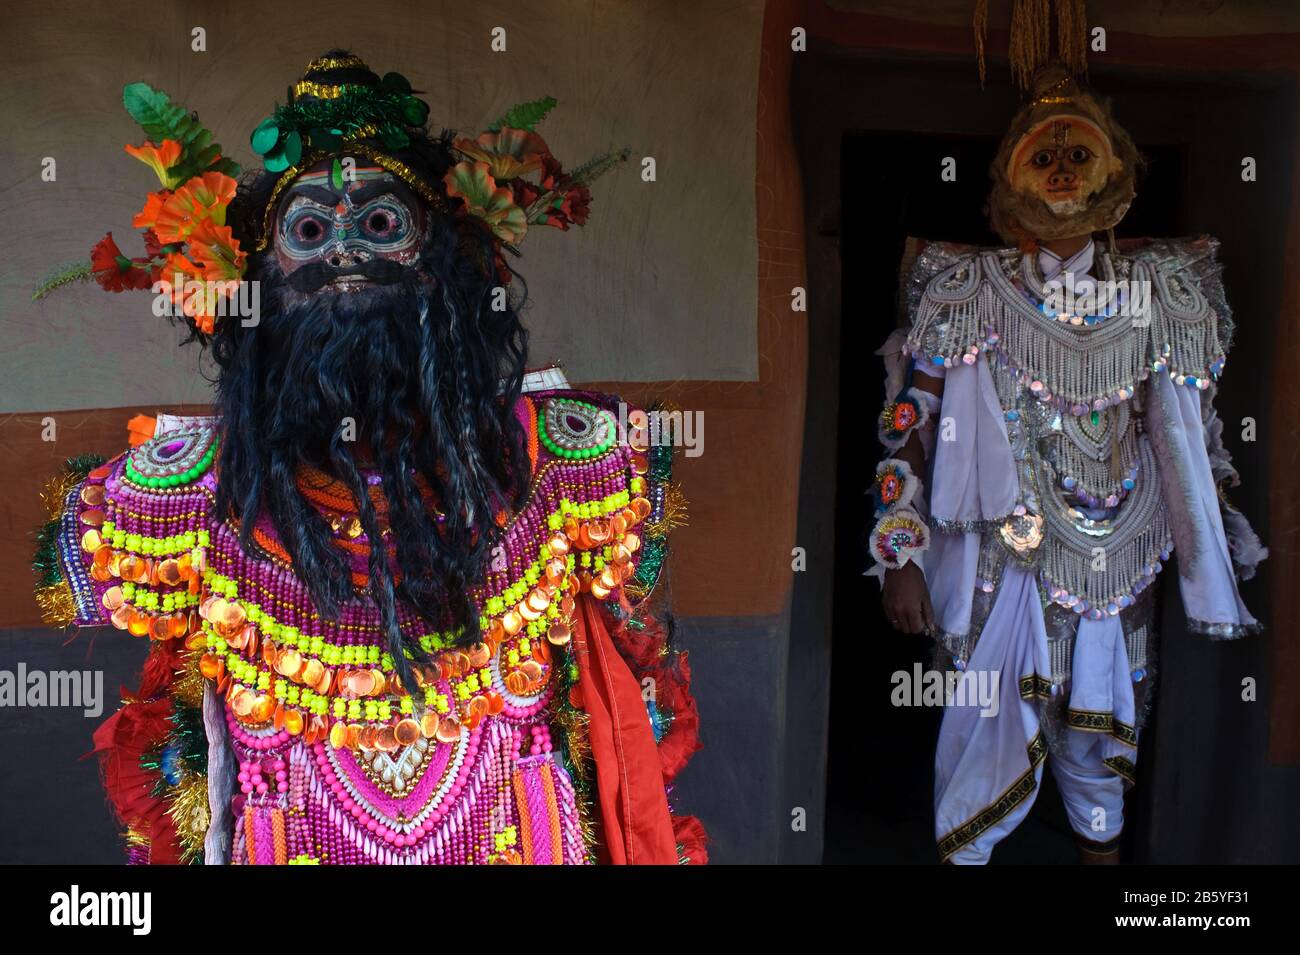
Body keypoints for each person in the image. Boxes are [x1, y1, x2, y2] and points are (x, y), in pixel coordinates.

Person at [33, 51, 704, 865]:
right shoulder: (178, 500)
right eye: (309, 232)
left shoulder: (566, 466)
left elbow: (625, 734)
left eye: (383, 225)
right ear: (255, 284)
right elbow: (178, 765)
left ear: (448, 269)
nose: (343, 255)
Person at [867, 63, 1265, 864]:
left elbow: (1190, 432)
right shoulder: (964, 287)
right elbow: (910, 425)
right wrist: (900, 553)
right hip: (995, 563)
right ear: (1010, 176)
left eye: (1078, 155)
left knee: (1101, 764)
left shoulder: (1162, 290)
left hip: (1118, 562)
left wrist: (1215, 539)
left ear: (1115, 170)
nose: (1059, 171)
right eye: (1041, 156)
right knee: (977, 754)